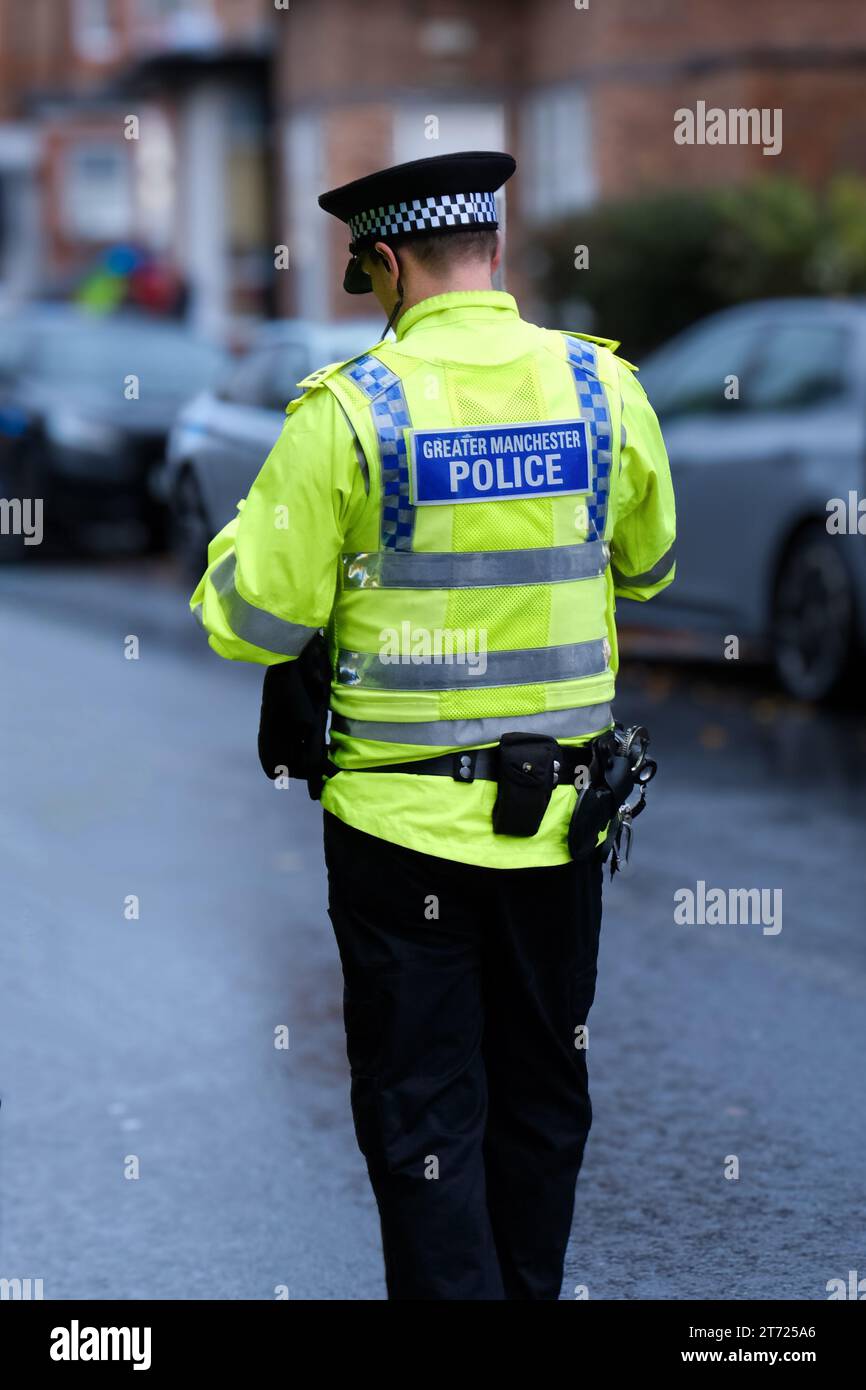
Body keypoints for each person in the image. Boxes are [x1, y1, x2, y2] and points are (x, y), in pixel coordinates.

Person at [191, 150, 676, 1301]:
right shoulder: (603, 390)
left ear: (390, 265)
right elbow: (650, 567)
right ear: (492, 255)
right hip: (559, 826)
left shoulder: (350, 410)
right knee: (542, 1095)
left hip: (398, 828)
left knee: (422, 1112)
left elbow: (254, 619)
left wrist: (229, 551)